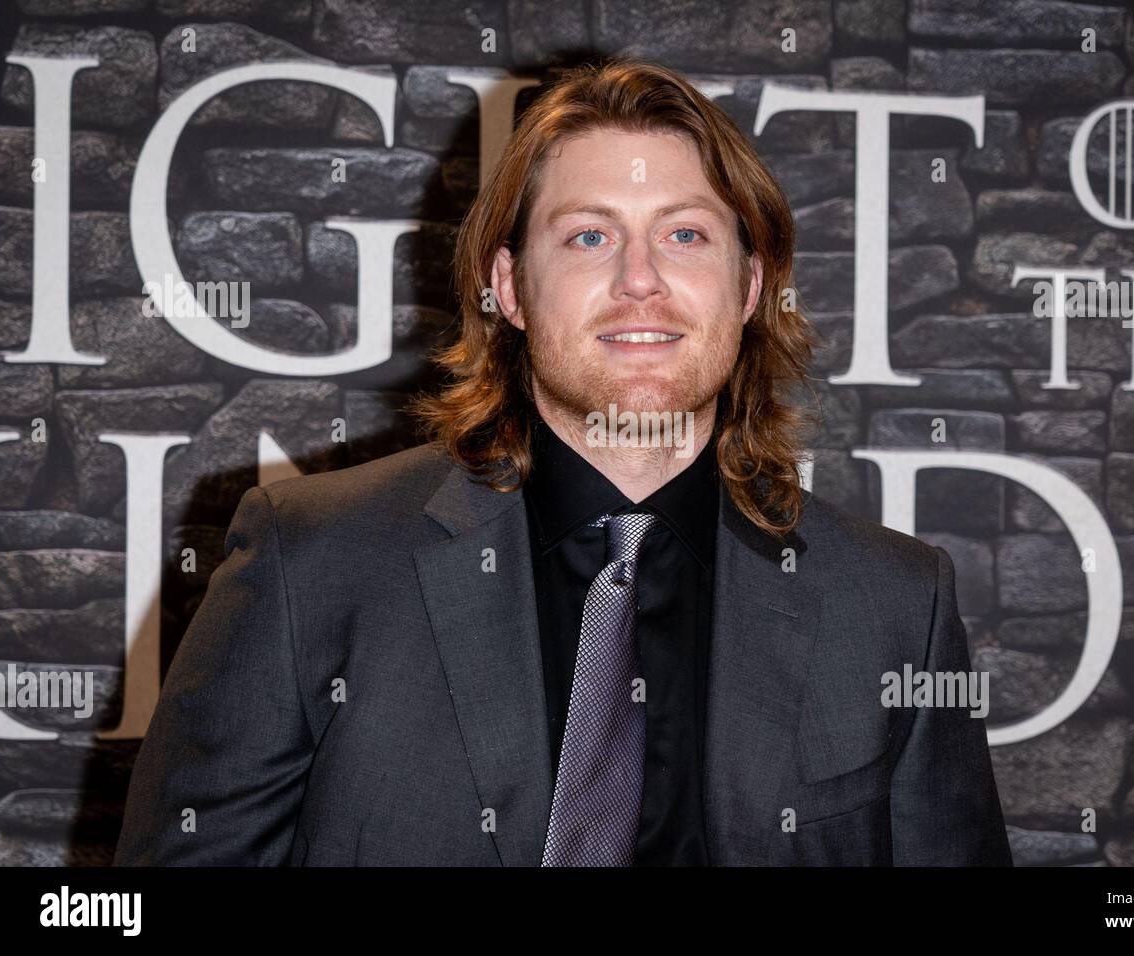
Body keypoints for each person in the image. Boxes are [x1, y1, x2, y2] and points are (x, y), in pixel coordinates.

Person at [114, 57, 1011, 867]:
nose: (640, 281)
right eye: (589, 236)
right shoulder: (310, 561)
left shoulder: (896, 607)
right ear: (507, 285)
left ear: (749, 286)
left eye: (686, 235)